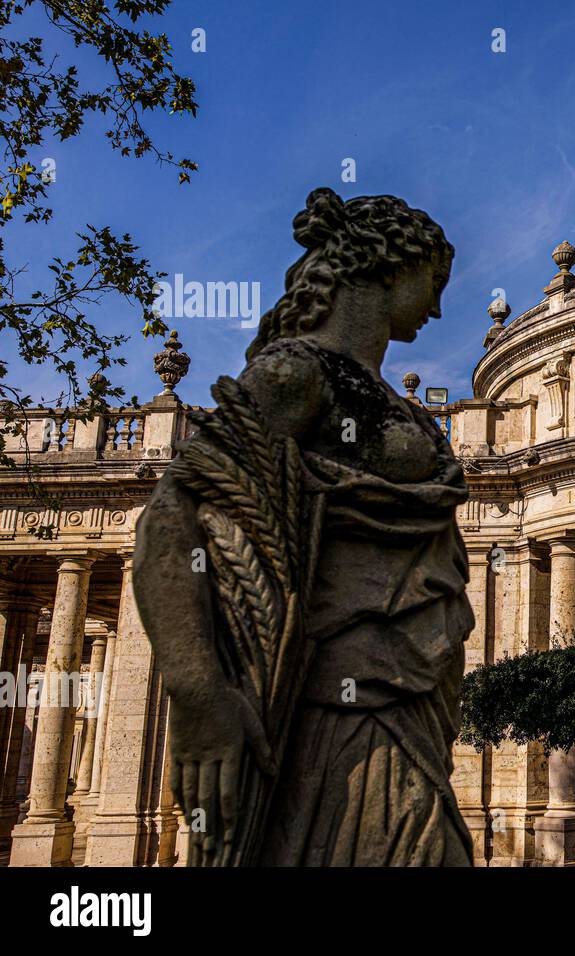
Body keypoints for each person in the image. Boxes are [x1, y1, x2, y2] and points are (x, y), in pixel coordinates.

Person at [135, 188, 473, 866]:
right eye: (431, 283)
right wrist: (198, 691)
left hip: (408, 694)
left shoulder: (377, 396)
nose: (436, 308)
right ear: (384, 263)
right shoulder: (297, 374)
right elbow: (169, 520)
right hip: (342, 698)